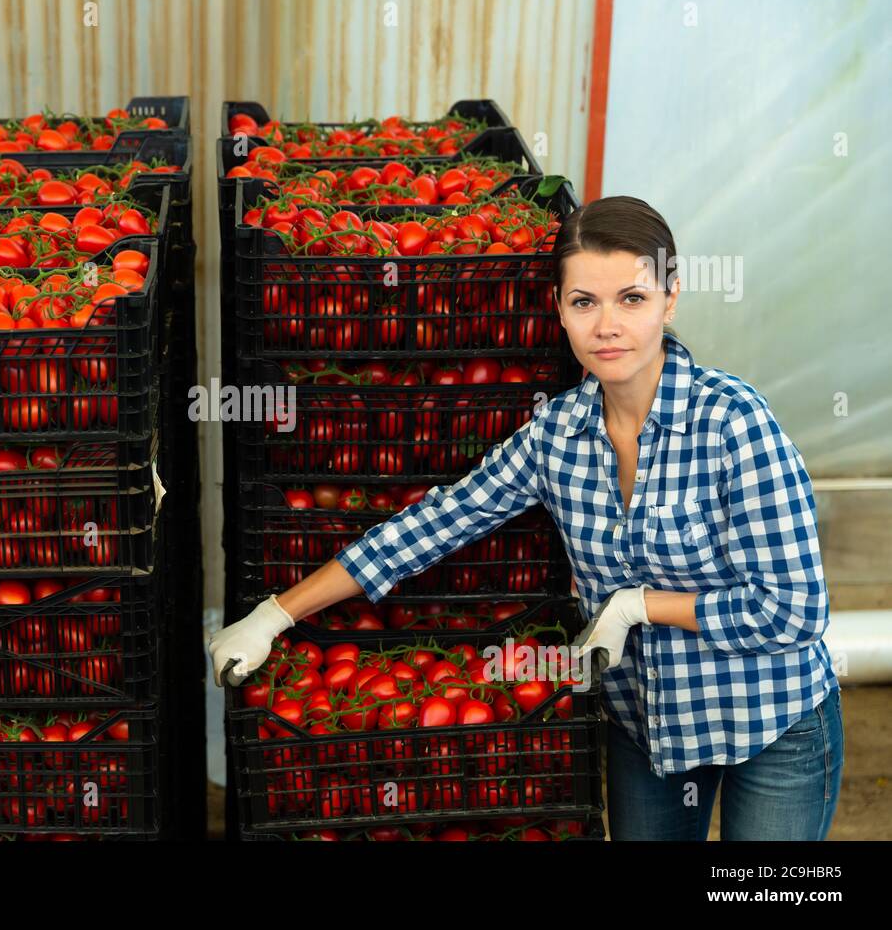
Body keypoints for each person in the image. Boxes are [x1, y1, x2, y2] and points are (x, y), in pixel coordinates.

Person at [208, 195, 843, 840]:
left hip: (773, 724)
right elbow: (434, 524)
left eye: (632, 298)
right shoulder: (557, 435)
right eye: (584, 302)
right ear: (560, 311)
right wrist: (275, 615)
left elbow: (794, 609)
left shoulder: (734, 424)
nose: (607, 326)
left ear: (669, 299)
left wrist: (640, 605)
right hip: (649, 729)